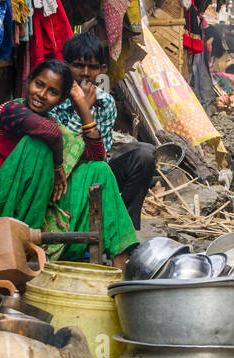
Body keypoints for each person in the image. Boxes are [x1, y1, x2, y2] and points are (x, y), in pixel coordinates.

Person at [0, 59, 139, 269]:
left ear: (60, 100)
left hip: (38, 203)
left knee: (99, 170)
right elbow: (50, 134)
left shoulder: (51, 121)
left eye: (52, 92)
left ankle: (122, 260)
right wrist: (58, 168)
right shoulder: (11, 110)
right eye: (39, 85)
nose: (41, 94)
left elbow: (96, 155)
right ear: (28, 82)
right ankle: (26, 248)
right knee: (38, 144)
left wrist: (82, 105)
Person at [50, 33, 156, 230]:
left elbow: (99, 156)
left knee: (144, 155)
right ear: (65, 66)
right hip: (58, 174)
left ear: (102, 70)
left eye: (92, 67)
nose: (85, 73)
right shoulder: (53, 96)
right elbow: (63, 150)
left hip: (95, 170)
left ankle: (123, 228)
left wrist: (86, 108)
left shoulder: (105, 102)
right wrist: (82, 108)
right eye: (78, 65)